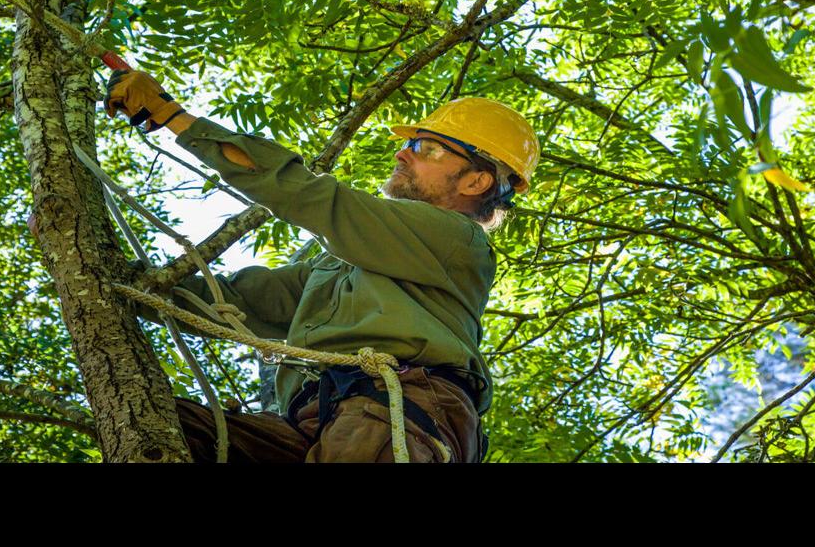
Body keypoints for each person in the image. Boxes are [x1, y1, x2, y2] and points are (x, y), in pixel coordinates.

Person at [106, 69, 539, 462]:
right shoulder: (343, 267)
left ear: (475, 181)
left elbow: (313, 198)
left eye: (425, 148)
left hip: (395, 405)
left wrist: (176, 118)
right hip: (311, 419)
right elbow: (243, 300)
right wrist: (118, 278)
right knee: (168, 431)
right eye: (408, 145)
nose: (403, 155)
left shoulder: (455, 240)